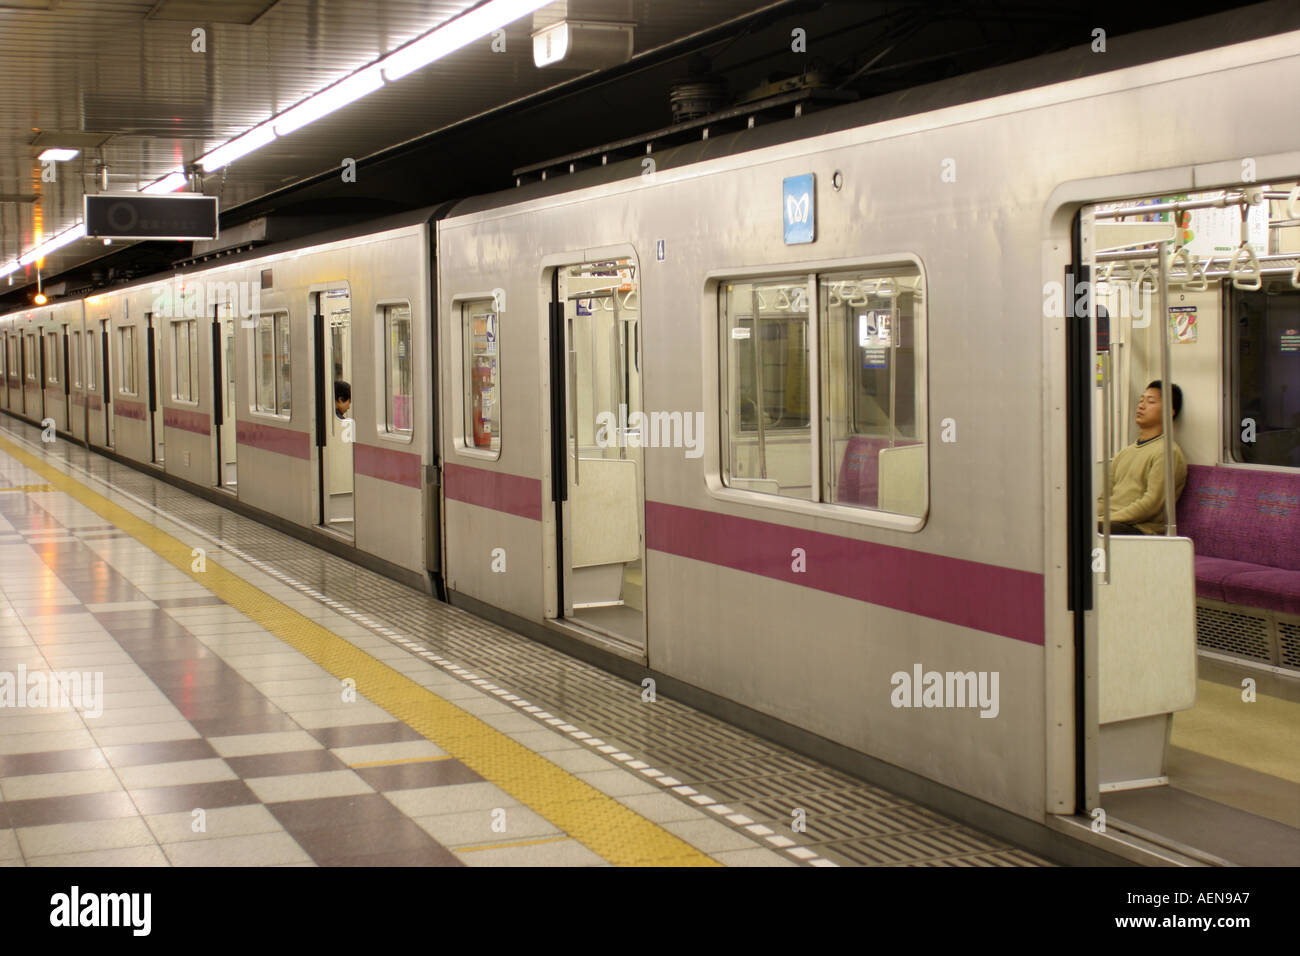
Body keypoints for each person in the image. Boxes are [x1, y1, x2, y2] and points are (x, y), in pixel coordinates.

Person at [1098, 381, 1187, 535]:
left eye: (1151, 401)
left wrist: (1104, 520)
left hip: (1140, 529)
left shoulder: (1168, 453)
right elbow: (1104, 498)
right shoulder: (1125, 453)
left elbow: (1151, 504)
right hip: (1112, 522)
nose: (1141, 406)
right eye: (1141, 400)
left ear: (1169, 411)